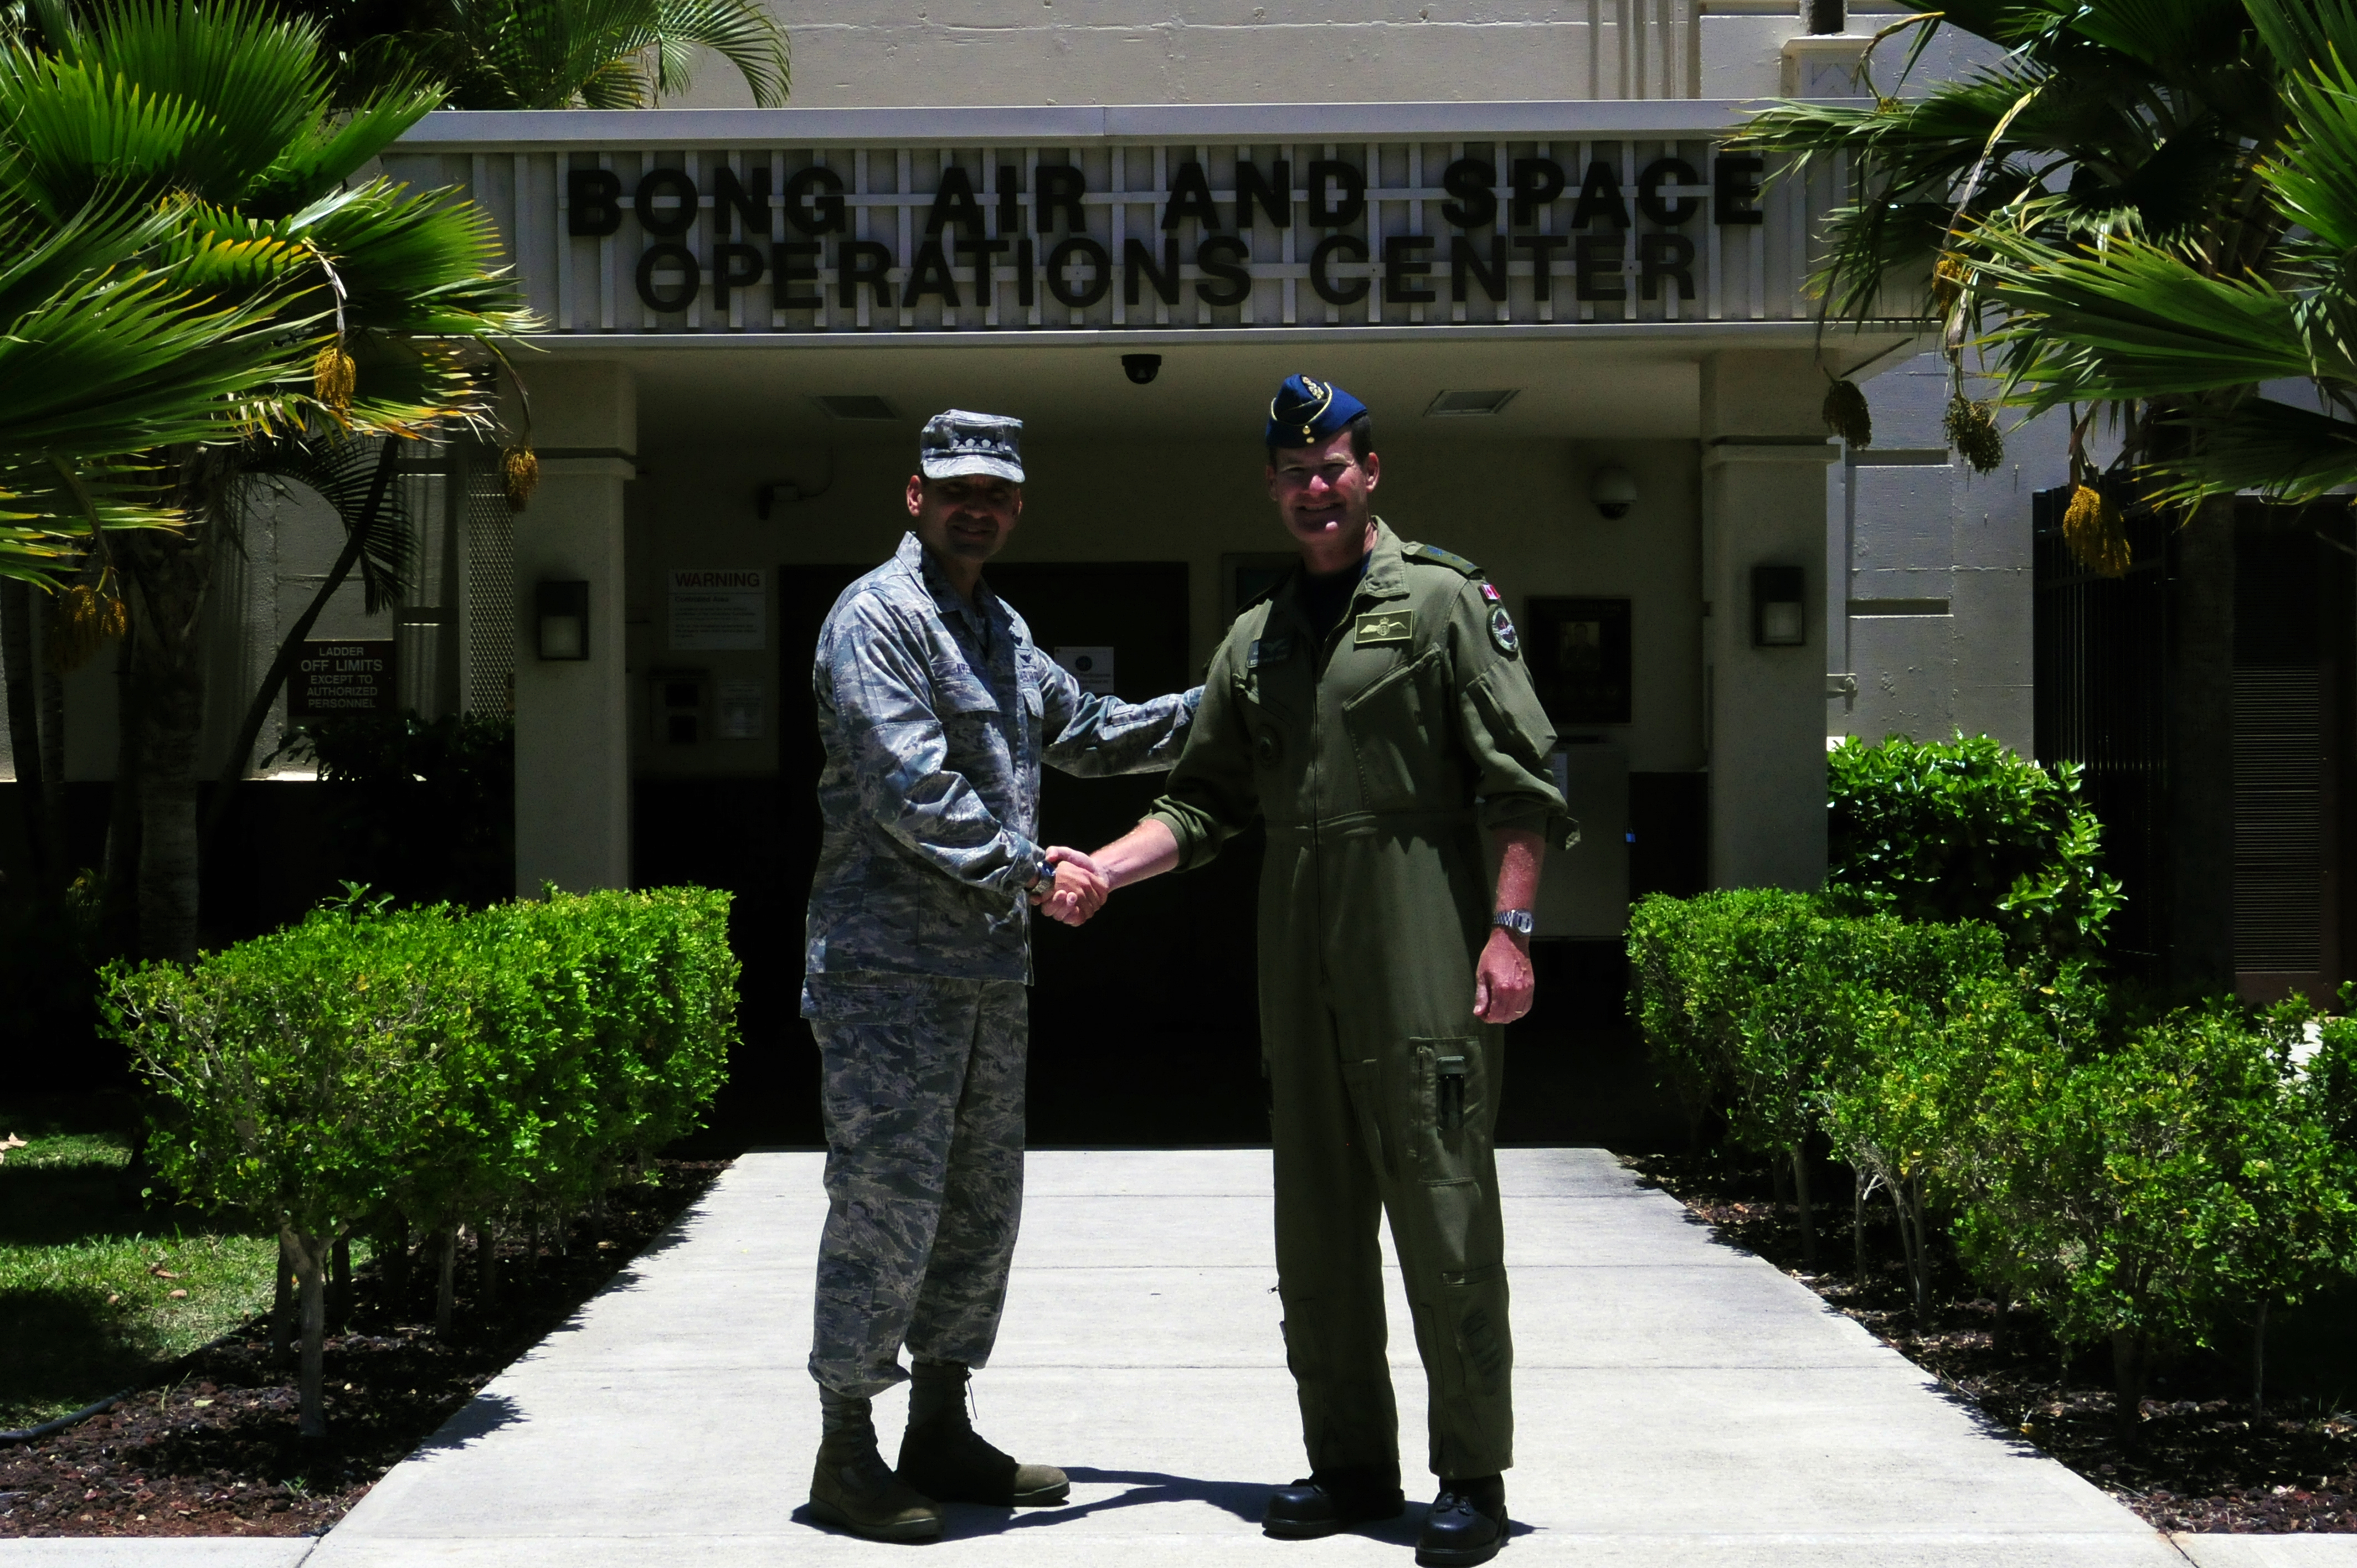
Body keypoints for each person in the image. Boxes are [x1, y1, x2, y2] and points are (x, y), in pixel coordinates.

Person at [1056, 376, 1568, 1568]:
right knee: (1317, 1225)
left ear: (1370, 471)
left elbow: (1522, 786)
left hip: (1422, 941)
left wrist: (1510, 932)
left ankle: (1471, 1476)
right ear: (1272, 487)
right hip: (1298, 948)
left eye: (1331, 465)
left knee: (1443, 1210)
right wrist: (1103, 872)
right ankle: (1349, 1464)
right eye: (1291, 473)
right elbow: (1202, 801)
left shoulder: (1442, 602)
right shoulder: (1258, 638)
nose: (1313, 487)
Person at [801, 409, 1199, 1542]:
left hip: (984, 975)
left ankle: (941, 1424)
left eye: (997, 492)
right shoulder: (878, 619)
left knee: (978, 1212)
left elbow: (1094, 733)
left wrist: (1238, 704)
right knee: (885, 1210)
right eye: (955, 486)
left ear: (1015, 509)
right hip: (887, 978)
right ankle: (845, 1449)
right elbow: (910, 788)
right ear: (913, 495)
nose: (976, 505)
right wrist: (1038, 873)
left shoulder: (999, 628)